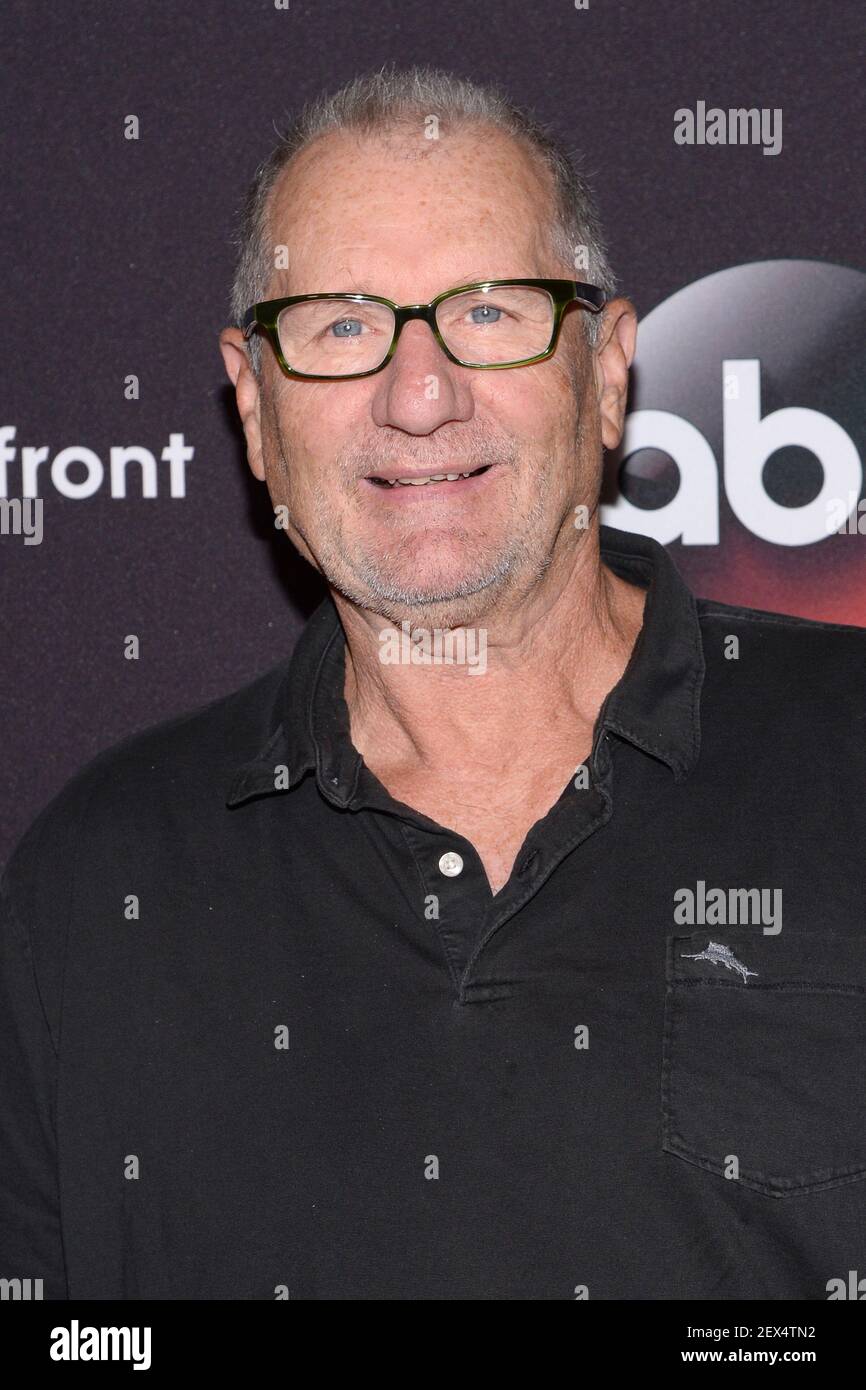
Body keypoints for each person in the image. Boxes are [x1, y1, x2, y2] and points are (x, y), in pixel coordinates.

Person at [2, 66, 865, 1301]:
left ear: (608, 371)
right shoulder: (94, 886)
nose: (418, 394)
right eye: (342, 325)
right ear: (252, 406)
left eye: (490, 311)